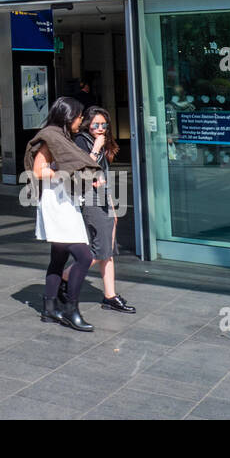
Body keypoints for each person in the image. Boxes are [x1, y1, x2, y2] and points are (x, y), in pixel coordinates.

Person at [25, 95, 98, 333]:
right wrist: (65, 172)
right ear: (68, 117)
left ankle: (49, 308)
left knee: (58, 258)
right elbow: (38, 170)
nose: (81, 121)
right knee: (84, 257)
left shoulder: (60, 136)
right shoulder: (51, 137)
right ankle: (70, 310)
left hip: (63, 200)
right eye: (79, 116)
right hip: (58, 203)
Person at [61, 106, 135, 314]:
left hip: (103, 196)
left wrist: (112, 204)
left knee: (108, 250)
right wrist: (96, 148)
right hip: (89, 198)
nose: (100, 128)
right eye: (96, 124)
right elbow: (81, 169)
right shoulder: (82, 141)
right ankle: (64, 276)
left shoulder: (102, 143)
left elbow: (104, 174)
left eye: (104, 125)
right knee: (100, 249)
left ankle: (110, 295)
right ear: (87, 124)